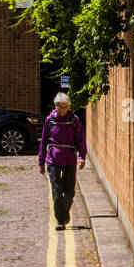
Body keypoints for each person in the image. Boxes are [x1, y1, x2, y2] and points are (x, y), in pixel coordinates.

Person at [38, 91, 86, 229]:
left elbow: (81, 140)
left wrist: (82, 157)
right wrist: (41, 162)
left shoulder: (74, 120)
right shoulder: (50, 120)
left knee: (69, 192)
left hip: (70, 159)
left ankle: (63, 214)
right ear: (55, 106)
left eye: (65, 107)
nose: (63, 110)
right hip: (53, 159)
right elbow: (43, 141)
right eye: (60, 107)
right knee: (57, 190)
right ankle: (61, 220)